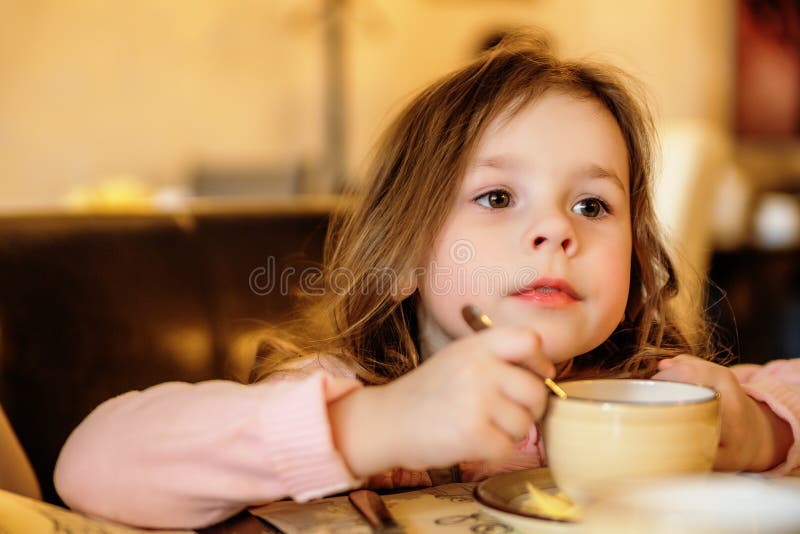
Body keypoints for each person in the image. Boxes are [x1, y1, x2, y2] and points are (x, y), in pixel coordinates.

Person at [54, 32, 800, 529]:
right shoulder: (363, 398)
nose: (557, 231)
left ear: (635, 268)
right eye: (499, 198)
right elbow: (89, 465)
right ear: (405, 254)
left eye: (593, 205)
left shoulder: (658, 394)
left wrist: (760, 433)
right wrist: (372, 428)